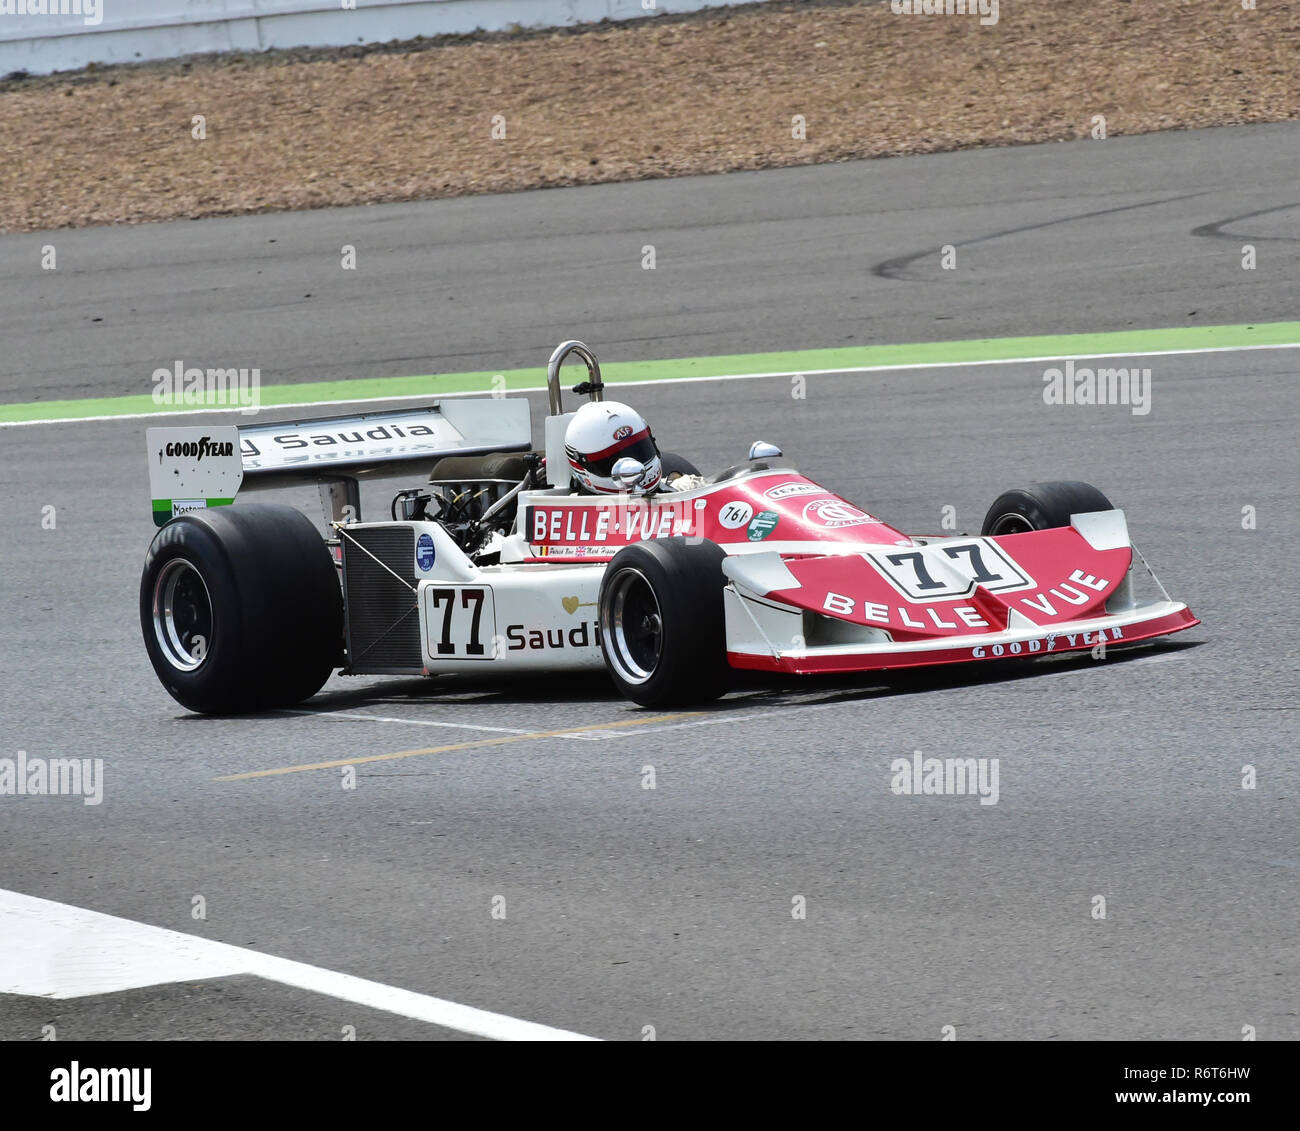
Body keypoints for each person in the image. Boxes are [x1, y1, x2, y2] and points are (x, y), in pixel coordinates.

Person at [563, 400, 704, 494]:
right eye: (609, 461)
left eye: (639, 450)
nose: (636, 469)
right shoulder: (567, 515)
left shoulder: (686, 489)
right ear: (582, 467)